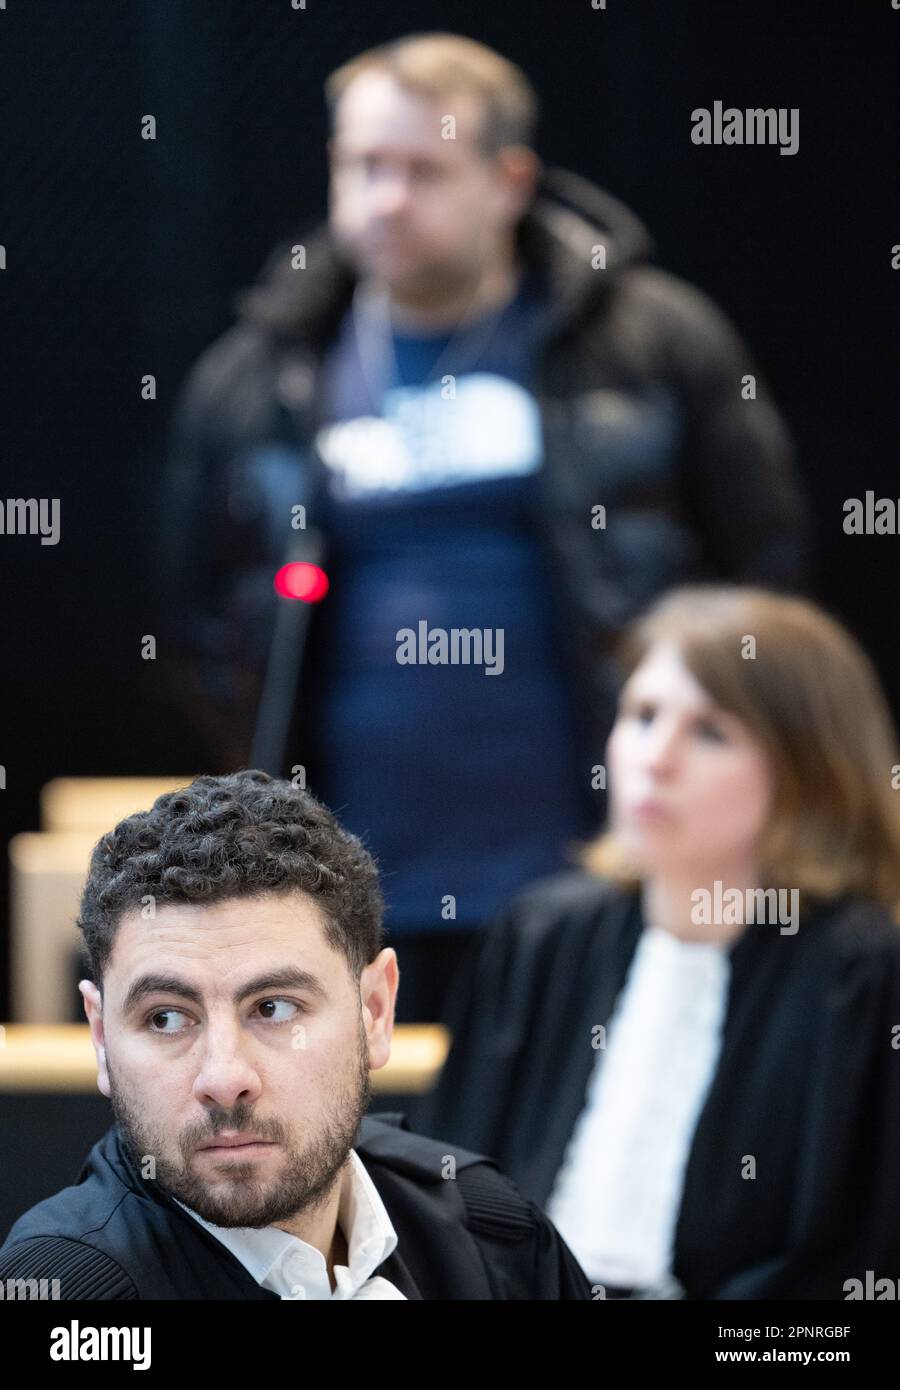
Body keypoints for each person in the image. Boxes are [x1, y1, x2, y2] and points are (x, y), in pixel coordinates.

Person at [160, 32, 811, 1023]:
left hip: (602, 871)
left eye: (422, 169)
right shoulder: (264, 373)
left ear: (509, 180)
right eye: (363, 165)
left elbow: (759, 576)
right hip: (349, 888)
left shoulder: (651, 340)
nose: (385, 198)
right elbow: (205, 614)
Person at [411, 585, 900, 1300]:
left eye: (710, 732)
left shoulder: (861, 973)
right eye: (642, 716)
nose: (655, 759)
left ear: (807, 772)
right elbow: (446, 1191)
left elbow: (855, 1257)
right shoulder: (544, 933)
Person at [0, 770, 591, 1300]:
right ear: (100, 1036)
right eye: (167, 1018)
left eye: (274, 1007)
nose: (225, 1078)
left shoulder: (492, 1229)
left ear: (375, 1010)